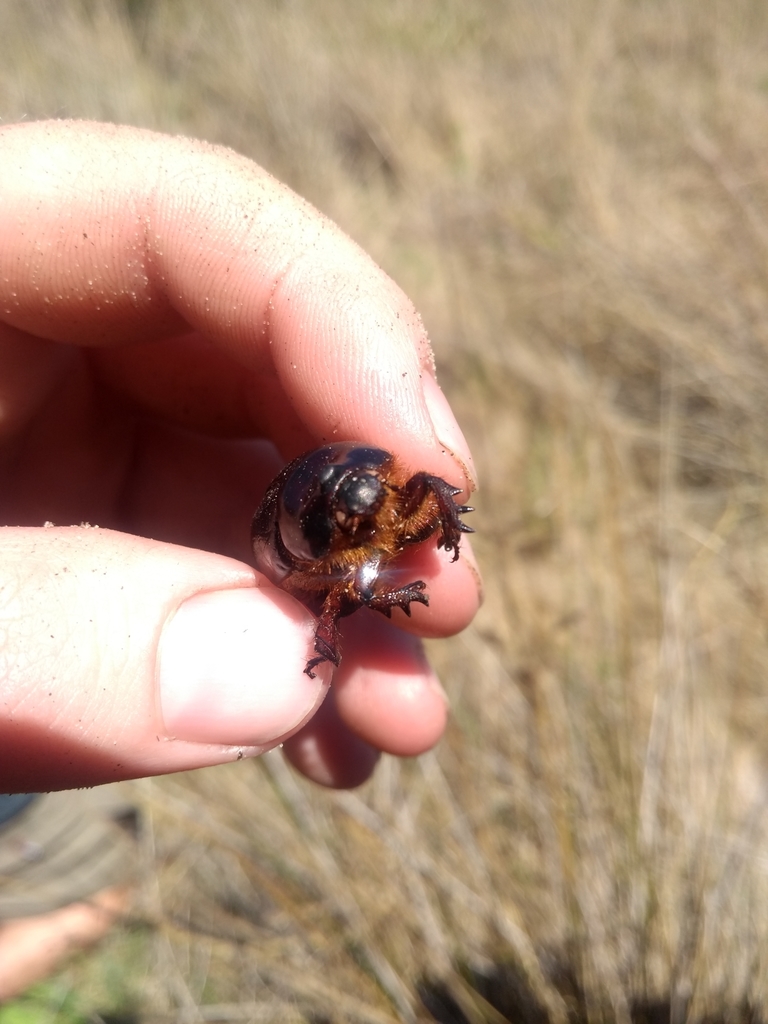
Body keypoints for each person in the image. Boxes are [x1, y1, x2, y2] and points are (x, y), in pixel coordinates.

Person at [0, 120, 481, 997]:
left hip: (318, 536)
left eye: (375, 495)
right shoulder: (318, 523)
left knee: (399, 540)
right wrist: (356, 569)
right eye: (357, 504)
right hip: (301, 556)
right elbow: (333, 570)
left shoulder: (379, 485)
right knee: (354, 587)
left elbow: (425, 491)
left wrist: (437, 516)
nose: (373, 508)